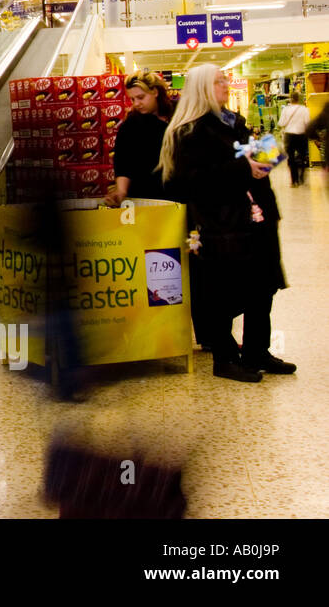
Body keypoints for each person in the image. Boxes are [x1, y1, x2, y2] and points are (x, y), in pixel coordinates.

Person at [160, 64, 293, 383]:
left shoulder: (235, 122)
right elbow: (185, 183)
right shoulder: (189, 132)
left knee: (264, 287)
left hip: (257, 216)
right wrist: (242, 167)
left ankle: (257, 351)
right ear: (203, 88)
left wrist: (267, 156)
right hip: (221, 224)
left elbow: (258, 156)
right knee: (223, 292)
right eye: (218, 81)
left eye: (225, 79)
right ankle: (225, 357)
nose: (225, 85)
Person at [106, 70, 174, 206]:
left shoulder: (178, 114)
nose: (136, 103)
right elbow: (123, 161)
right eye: (132, 99)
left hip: (178, 193)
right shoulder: (132, 125)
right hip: (147, 196)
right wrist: (121, 190)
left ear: (155, 92)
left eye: (141, 97)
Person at [278, 91, 311, 186]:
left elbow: (281, 123)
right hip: (301, 136)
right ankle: (301, 176)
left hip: (289, 136)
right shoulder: (304, 109)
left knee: (291, 158)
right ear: (299, 99)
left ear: (290, 99)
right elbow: (307, 123)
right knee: (302, 156)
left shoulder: (285, 110)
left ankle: (294, 180)